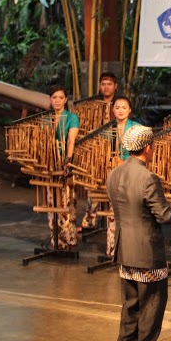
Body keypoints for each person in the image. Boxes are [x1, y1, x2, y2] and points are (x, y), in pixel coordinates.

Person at [106, 125, 171, 341]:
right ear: (147, 147)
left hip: (124, 249)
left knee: (131, 302)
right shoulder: (148, 178)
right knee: (152, 302)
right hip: (146, 252)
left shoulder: (114, 174)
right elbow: (164, 215)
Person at [79, 72, 120, 233]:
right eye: (103, 84)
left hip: (114, 151)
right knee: (94, 185)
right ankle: (90, 221)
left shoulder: (120, 104)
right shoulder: (93, 105)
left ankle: (113, 221)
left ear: (115, 86)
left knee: (112, 185)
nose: (106, 87)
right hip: (95, 150)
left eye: (109, 84)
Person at [101, 96, 140, 258]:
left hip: (132, 174)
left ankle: (130, 250)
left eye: (124, 107)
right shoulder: (107, 129)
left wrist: (125, 161)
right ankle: (113, 250)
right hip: (113, 174)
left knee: (132, 211)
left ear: (129, 110)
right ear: (113, 110)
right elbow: (101, 151)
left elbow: (142, 153)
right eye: (117, 108)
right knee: (113, 211)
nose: (120, 110)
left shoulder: (137, 128)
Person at [48, 86, 80, 249]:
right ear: (50, 99)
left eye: (61, 98)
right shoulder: (47, 118)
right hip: (49, 163)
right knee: (51, 201)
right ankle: (56, 241)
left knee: (66, 201)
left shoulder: (71, 118)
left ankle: (68, 241)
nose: (57, 101)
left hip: (65, 161)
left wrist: (67, 160)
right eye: (54, 97)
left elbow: (71, 141)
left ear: (66, 100)